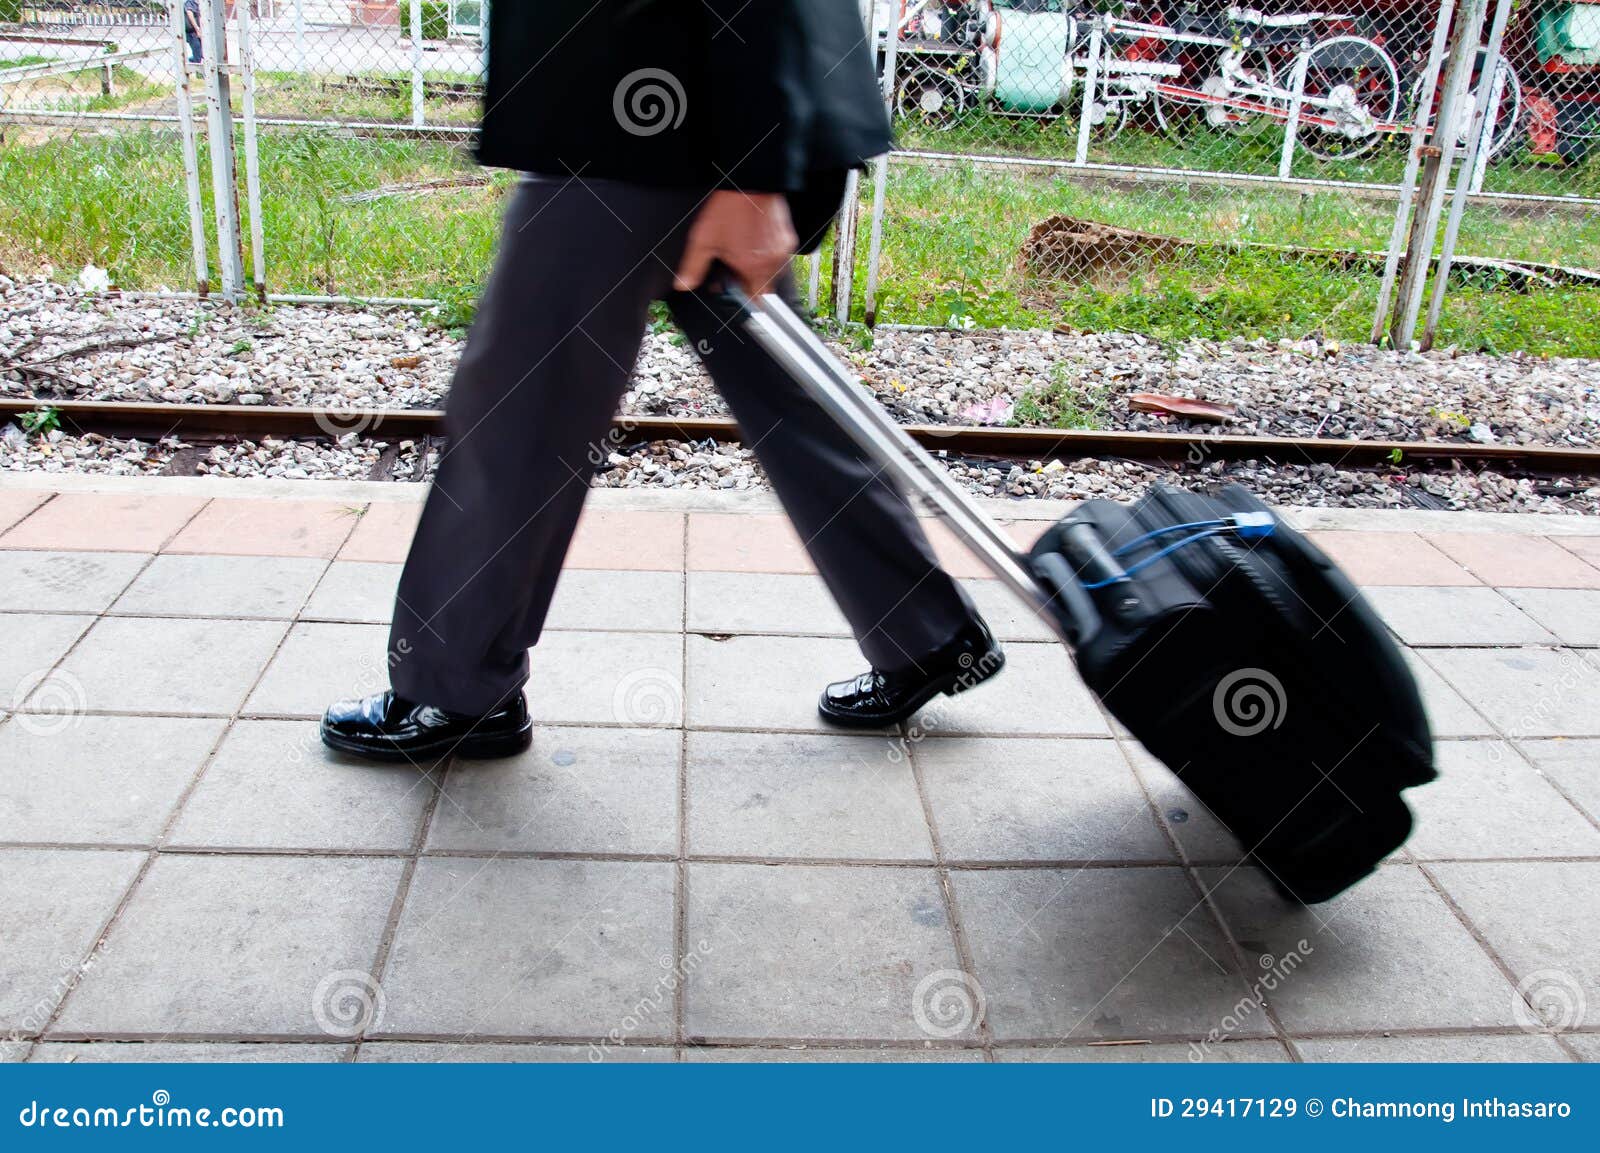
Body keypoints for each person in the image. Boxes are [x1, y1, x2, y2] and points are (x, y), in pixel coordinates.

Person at [321, 0, 1003, 762]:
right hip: (679, 108)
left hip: (637, 114)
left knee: (522, 405)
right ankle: (928, 632)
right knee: (785, 393)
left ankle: (456, 683)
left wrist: (754, 168)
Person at [183, 0, 203, 64]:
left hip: (198, 31)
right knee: (197, 51)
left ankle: (190, 60)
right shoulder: (189, 2)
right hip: (191, 32)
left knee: (201, 53)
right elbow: (189, 13)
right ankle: (197, 70)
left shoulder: (198, 3)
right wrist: (197, 29)